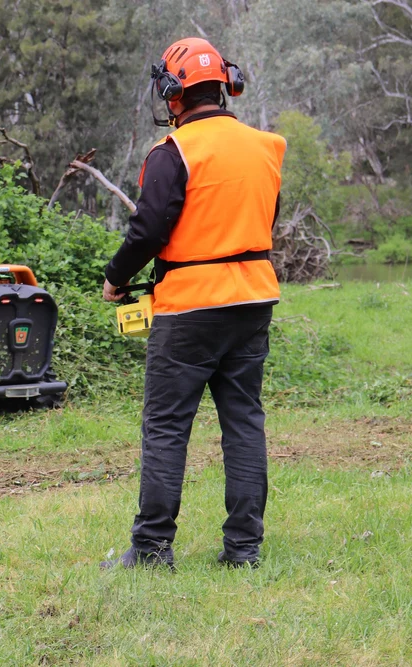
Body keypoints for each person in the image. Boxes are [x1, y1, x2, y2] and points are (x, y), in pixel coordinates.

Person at [100, 38, 286, 570]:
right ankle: (243, 550)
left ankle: (154, 549)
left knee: (166, 426)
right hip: (253, 302)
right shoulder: (265, 147)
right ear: (227, 85)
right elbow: (263, 222)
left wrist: (116, 278)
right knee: (244, 421)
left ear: (172, 94)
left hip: (188, 310)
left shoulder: (173, 152)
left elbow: (148, 230)